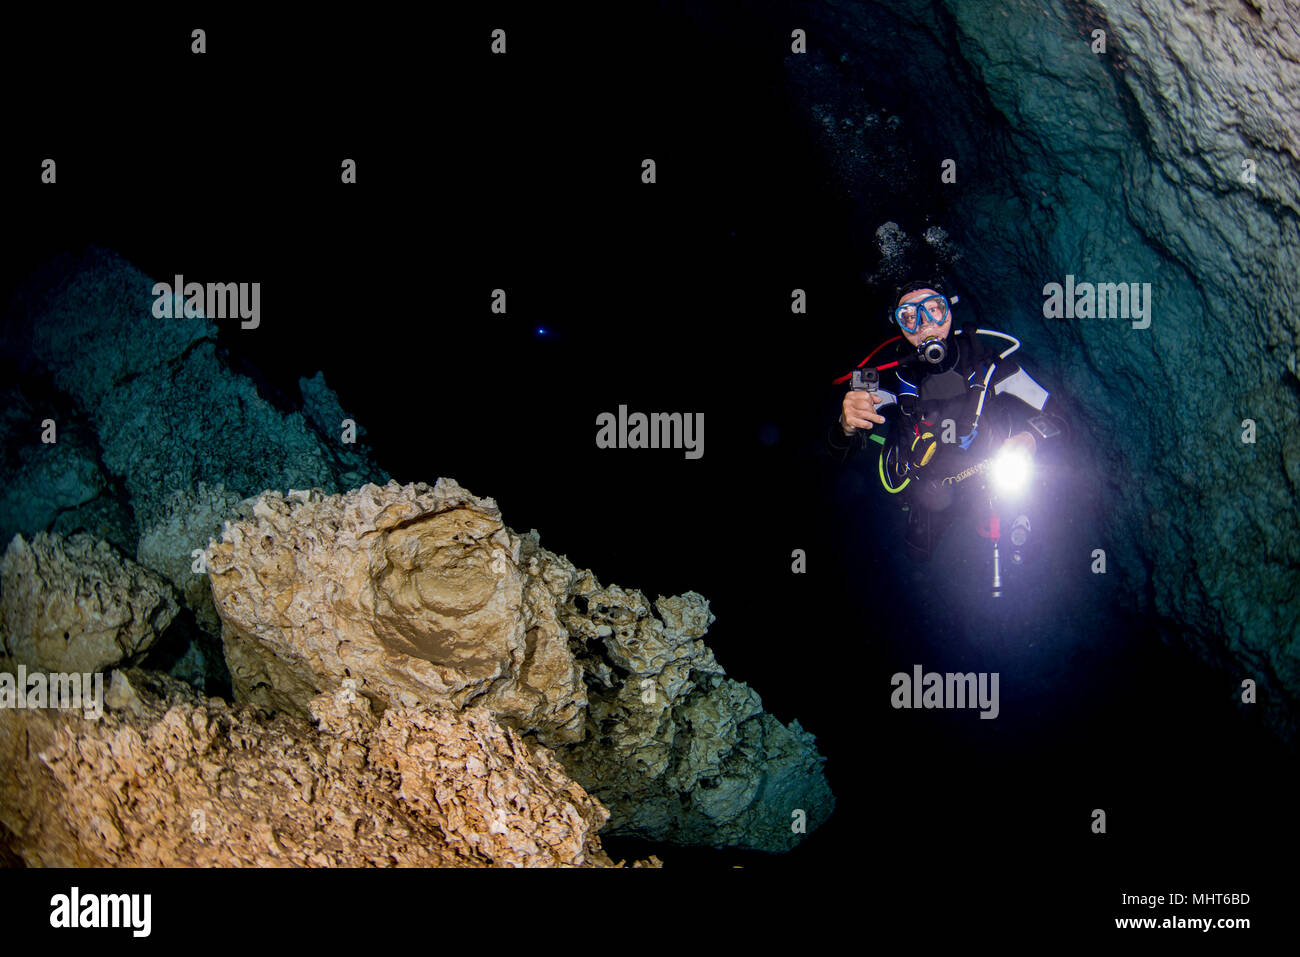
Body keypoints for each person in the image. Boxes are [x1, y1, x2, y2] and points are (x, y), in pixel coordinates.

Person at [828, 279, 1069, 562]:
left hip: (992, 478)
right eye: (909, 316)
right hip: (931, 492)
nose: (925, 323)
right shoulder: (891, 381)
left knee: (1026, 549)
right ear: (898, 326)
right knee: (917, 553)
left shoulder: (992, 366)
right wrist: (845, 426)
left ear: (950, 310)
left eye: (934, 309)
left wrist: (1030, 438)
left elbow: (1061, 420)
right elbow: (839, 452)